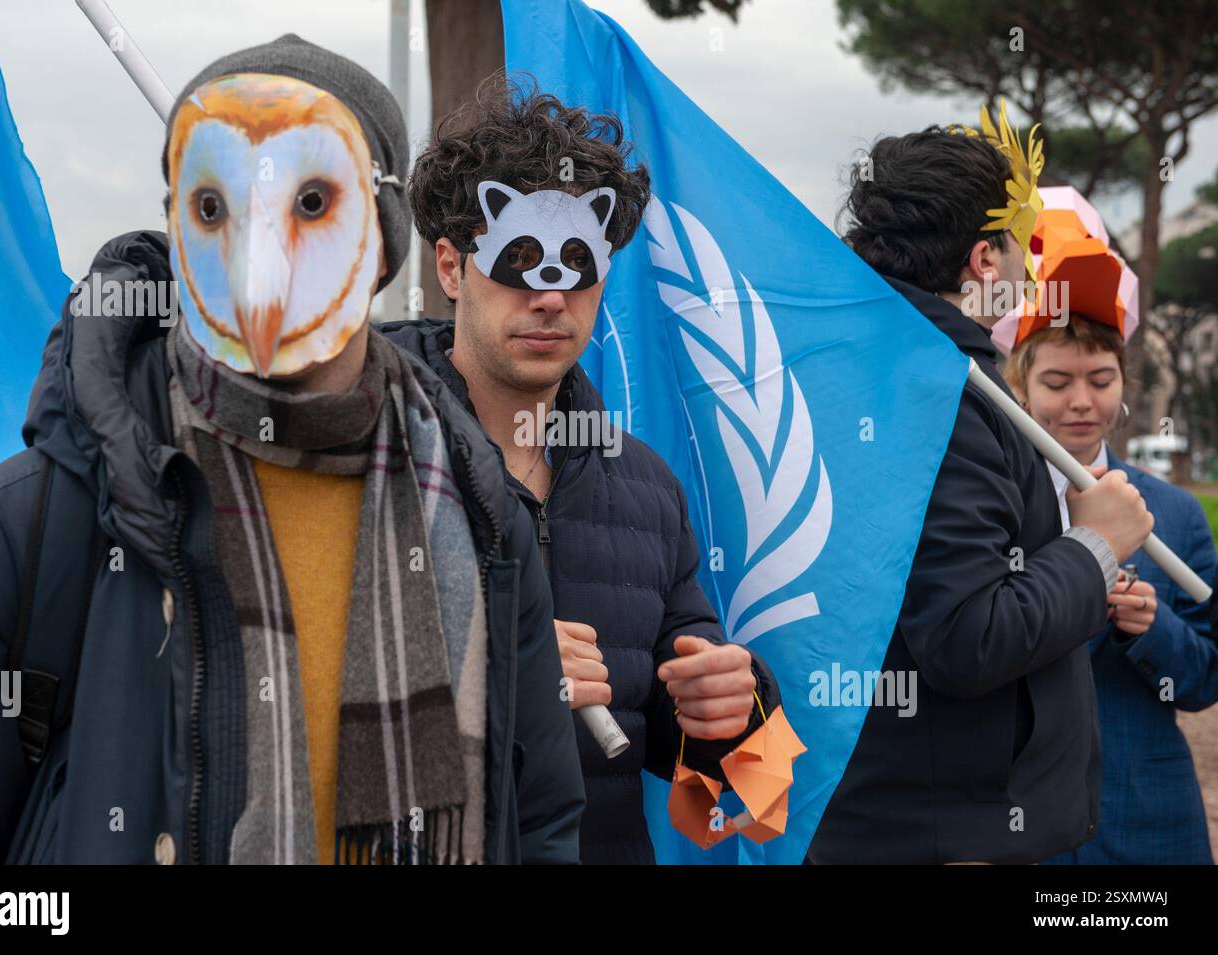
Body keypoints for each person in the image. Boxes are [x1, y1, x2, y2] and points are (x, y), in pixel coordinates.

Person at [0, 35, 584, 865]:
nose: (256, 254)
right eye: (211, 207)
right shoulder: (30, 526)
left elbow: (543, 823)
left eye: (312, 203)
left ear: (382, 244)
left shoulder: (484, 517)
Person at [383, 76, 782, 865]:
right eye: (518, 262)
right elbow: (273, 701)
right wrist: (498, 667)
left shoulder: (646, 490)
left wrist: (740, 712)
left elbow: (717, 793)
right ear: (452, 267)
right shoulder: (363, 456)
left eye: (576, 266)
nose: (549, 298)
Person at [808, 106, 1154, 864]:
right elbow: (968, 637)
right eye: (1020, 246)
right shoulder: (938, 392)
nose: (1032, 271)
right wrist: (1096, 545)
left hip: (892, 810)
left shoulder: (859, 367)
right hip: (942, 831)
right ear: (983, 263)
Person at [999, 193, 1217, 863]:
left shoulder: (1173, 513)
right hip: (1018, 825)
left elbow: (1206, 678)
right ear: (1019, 386)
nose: (1081, 401)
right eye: (1058, 380)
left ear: (1124, 385)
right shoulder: (991, 511)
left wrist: (1155, 630)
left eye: (1101, 378)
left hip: (1149, 820)